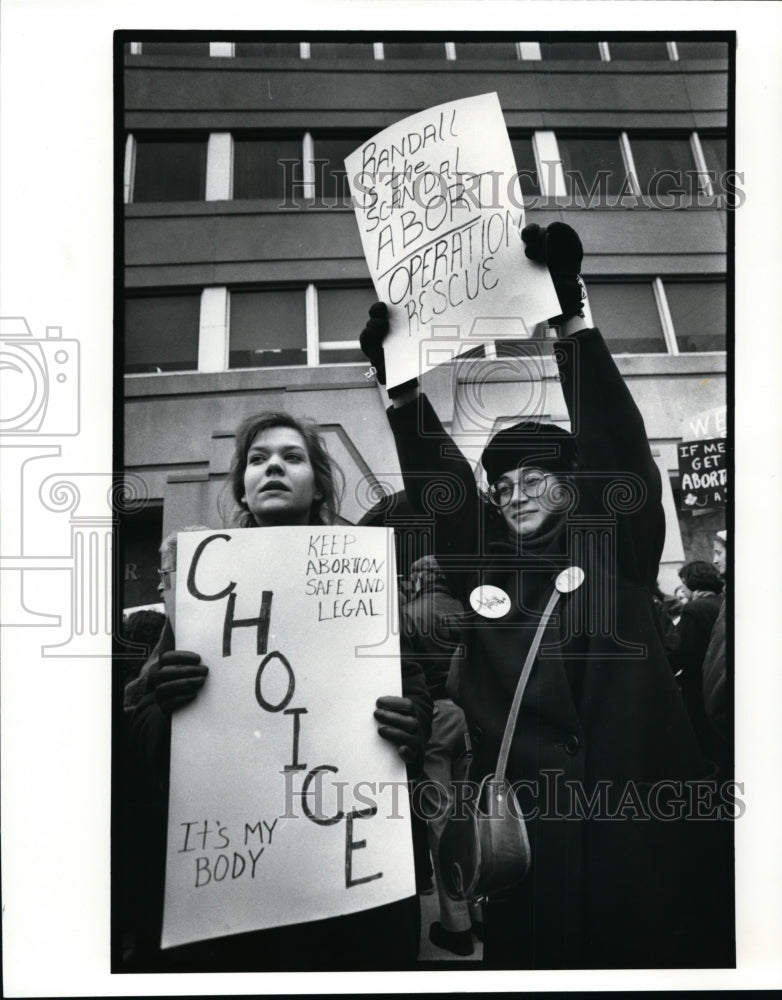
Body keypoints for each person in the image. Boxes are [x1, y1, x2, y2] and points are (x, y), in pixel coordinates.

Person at [360, 222, 731, 969]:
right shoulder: (485, 568)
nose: (514, 494)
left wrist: (571, 322)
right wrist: (400, 390)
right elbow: (448, 495)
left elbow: (616, 450)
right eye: (504, 485)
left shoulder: (612, 542)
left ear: (570, 487)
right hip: (535, 851)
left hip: (646, 844)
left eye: (534, 481)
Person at [123, 412, 432, 972]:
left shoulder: (361, 583)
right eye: (258, 459)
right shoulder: (204, 591)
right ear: (241, 483)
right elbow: (142, 736)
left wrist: (415, 721)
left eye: (292, 457)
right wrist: (163, 706)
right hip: (234, 891)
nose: (273, 467)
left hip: (347, 880)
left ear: (318, 481)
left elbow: (411, 692)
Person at [404, 556, 481, 956]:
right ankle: (481, 914)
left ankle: (457, 926)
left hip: (433, 716)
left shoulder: (408, 613)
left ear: (418, 579)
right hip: (470, 714)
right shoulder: (465, 609)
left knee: (440, 820)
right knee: (471, 817)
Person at [670, 561, 724, 756]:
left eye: (683, 582)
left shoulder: (694, 609)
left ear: (691, 582)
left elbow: (682, 652)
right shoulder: (722, 602)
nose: (683, 590)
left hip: (700, 688)